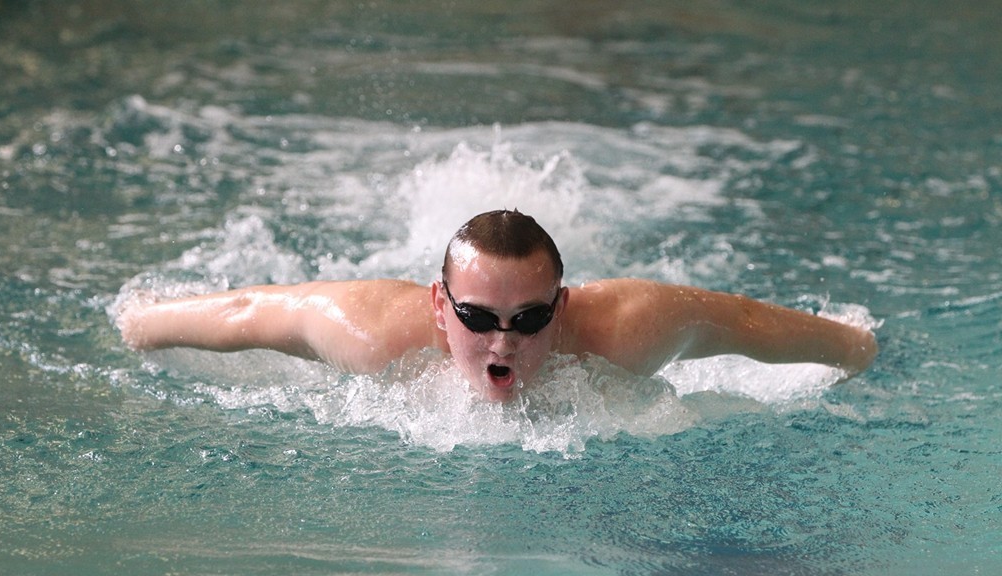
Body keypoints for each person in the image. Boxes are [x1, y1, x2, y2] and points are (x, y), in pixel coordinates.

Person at [118, 209, 877, 402]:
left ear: (563, 306)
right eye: (478, 319)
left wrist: (856, 347)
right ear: (441, 309)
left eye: (530, 320)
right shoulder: (376, 333)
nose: (501, 345)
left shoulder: (626, 329)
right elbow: (260, 312)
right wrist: (143, 321)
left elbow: (742, 321)